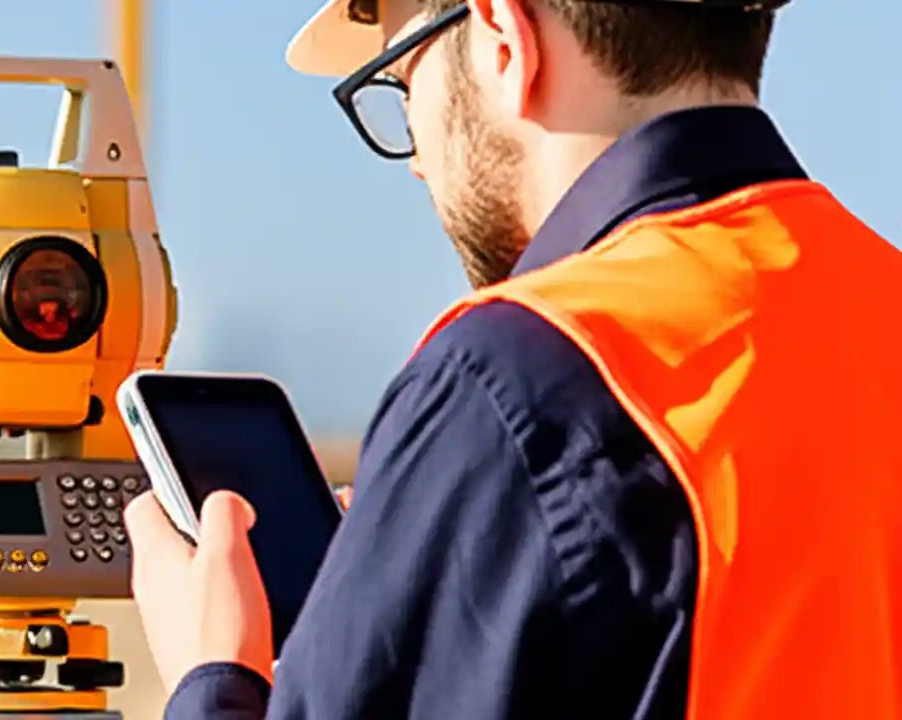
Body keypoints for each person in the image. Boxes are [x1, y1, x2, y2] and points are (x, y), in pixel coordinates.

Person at [124, 0, 902, 717]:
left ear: (503, 37)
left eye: (399, 83)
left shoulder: (522, 373)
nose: (418, 160)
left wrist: (215, 675)